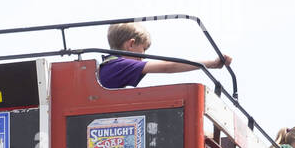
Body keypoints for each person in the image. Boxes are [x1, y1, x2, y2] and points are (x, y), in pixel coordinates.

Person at [98, 21, 232, 90]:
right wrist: (211, 64)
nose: (144, 56)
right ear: (131, 44)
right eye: (143, 49)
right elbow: (168, 66)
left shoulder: (107, 66)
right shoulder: (121, 66)